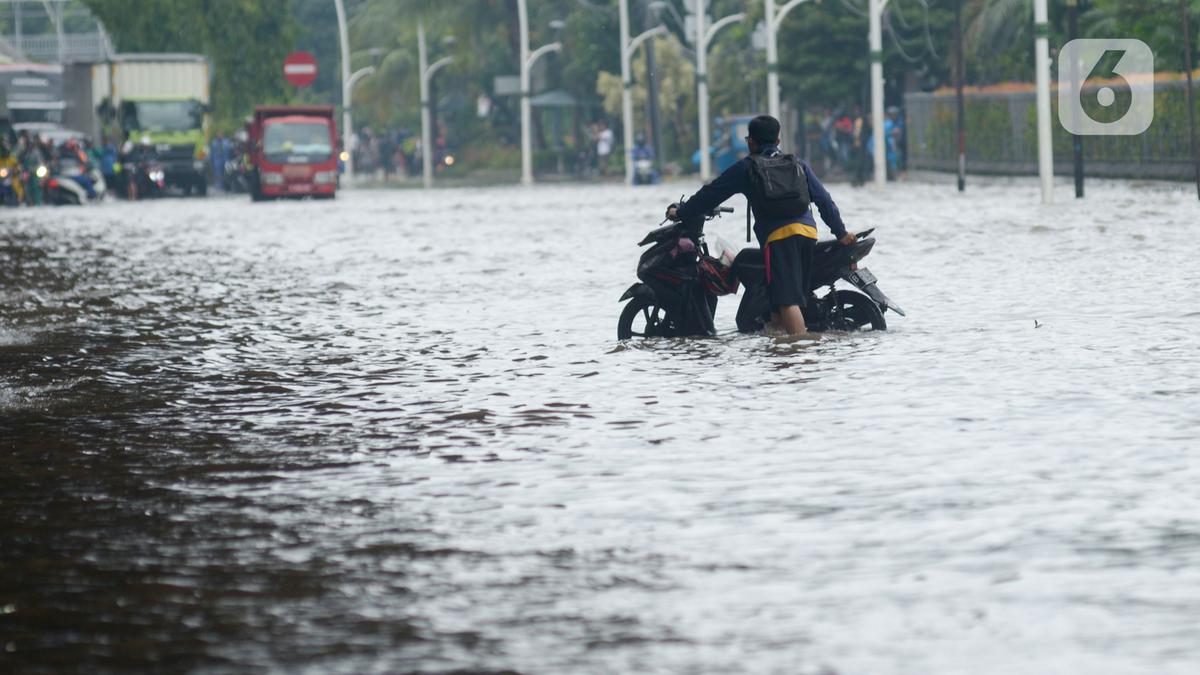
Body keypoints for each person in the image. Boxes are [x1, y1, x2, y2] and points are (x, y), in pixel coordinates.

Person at [667, 115, 856, 338]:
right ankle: (777, 350)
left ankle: (802, 349)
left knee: (787, 301)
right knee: (778, 301)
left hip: (779, 238)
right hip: (808, 234)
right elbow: (824, 200)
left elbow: (710, 194)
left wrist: (681, 212)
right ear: (778, 141)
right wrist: (841, 233)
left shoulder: (747, 167)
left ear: (750, 142)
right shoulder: (797, 163)